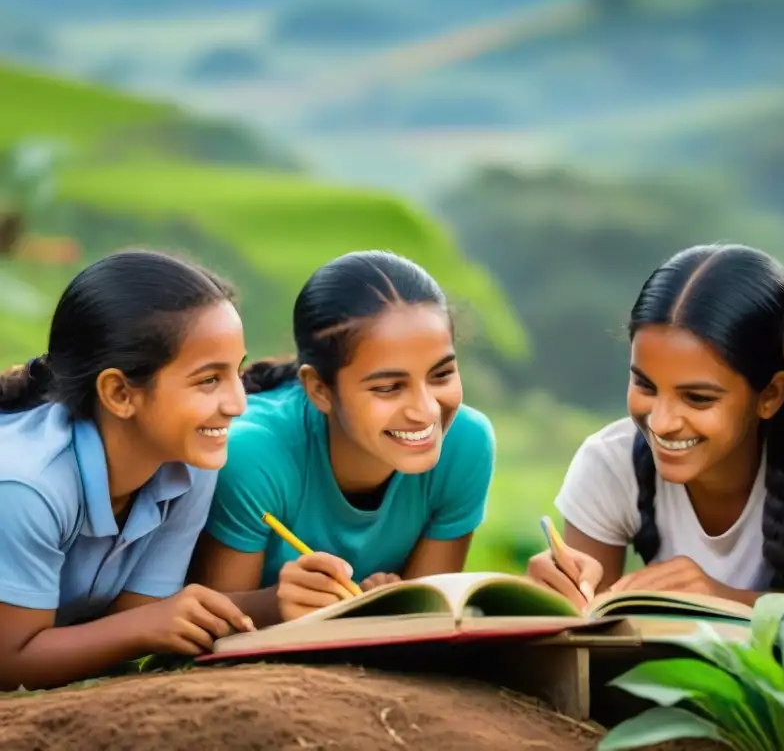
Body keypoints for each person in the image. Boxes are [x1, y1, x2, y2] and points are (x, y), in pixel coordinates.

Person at [526, 244, 784, 609]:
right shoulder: (608, 463)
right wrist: (557, 597)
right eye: (645, 386)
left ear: (771, 394)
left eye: (697, 398)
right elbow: (590, 622)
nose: (662, 423)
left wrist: (719, 601)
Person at [190, 250, 496, 624]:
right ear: (319, 389)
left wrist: (385, 603)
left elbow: (428, 616)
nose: (427, 410)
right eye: (389, 387)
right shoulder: (251, 456)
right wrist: (275, 604)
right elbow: (212, 625)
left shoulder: (464, 445)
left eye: (441, 375)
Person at [0, 250, 253, 691]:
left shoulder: (187, 466)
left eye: (238, 372)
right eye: (209, 380)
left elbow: (137, 617)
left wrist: (282, 601)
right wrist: (144, 627)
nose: (238, 404)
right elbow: (10, 663)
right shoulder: (27, 486)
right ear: (119, 393)